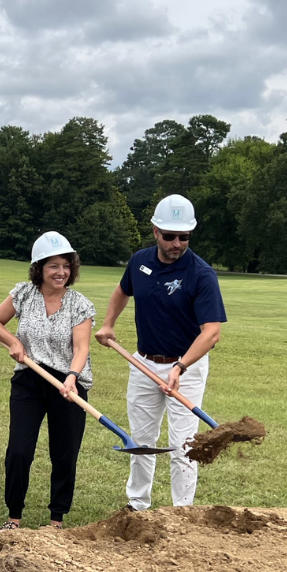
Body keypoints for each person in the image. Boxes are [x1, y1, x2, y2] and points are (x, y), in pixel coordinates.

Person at [95, 194, 226, 510]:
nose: (177, 243)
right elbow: (122, 290)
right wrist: (108, 324)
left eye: (184, 237)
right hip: (144, 365)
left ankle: (182, 511)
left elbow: (212, 333)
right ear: (155, 231)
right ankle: (137, 504)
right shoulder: (139, 261)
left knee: (183, 445)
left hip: (187, 367)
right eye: (170, 236)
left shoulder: (201, 274)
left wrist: (180, 367)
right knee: (141, 442)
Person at [0, 231, 94, 530]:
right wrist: (13, 342)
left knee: (64, 453)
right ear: (39, 269)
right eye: (53, 266)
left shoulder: (79, 304)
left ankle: (56, 519)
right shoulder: (23, 294)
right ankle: (13, 516)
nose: (61, 272)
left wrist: (72, 377)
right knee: (19, 450)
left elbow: (82, 348)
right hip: (29, 382)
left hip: (69, 384)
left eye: (66, 265)